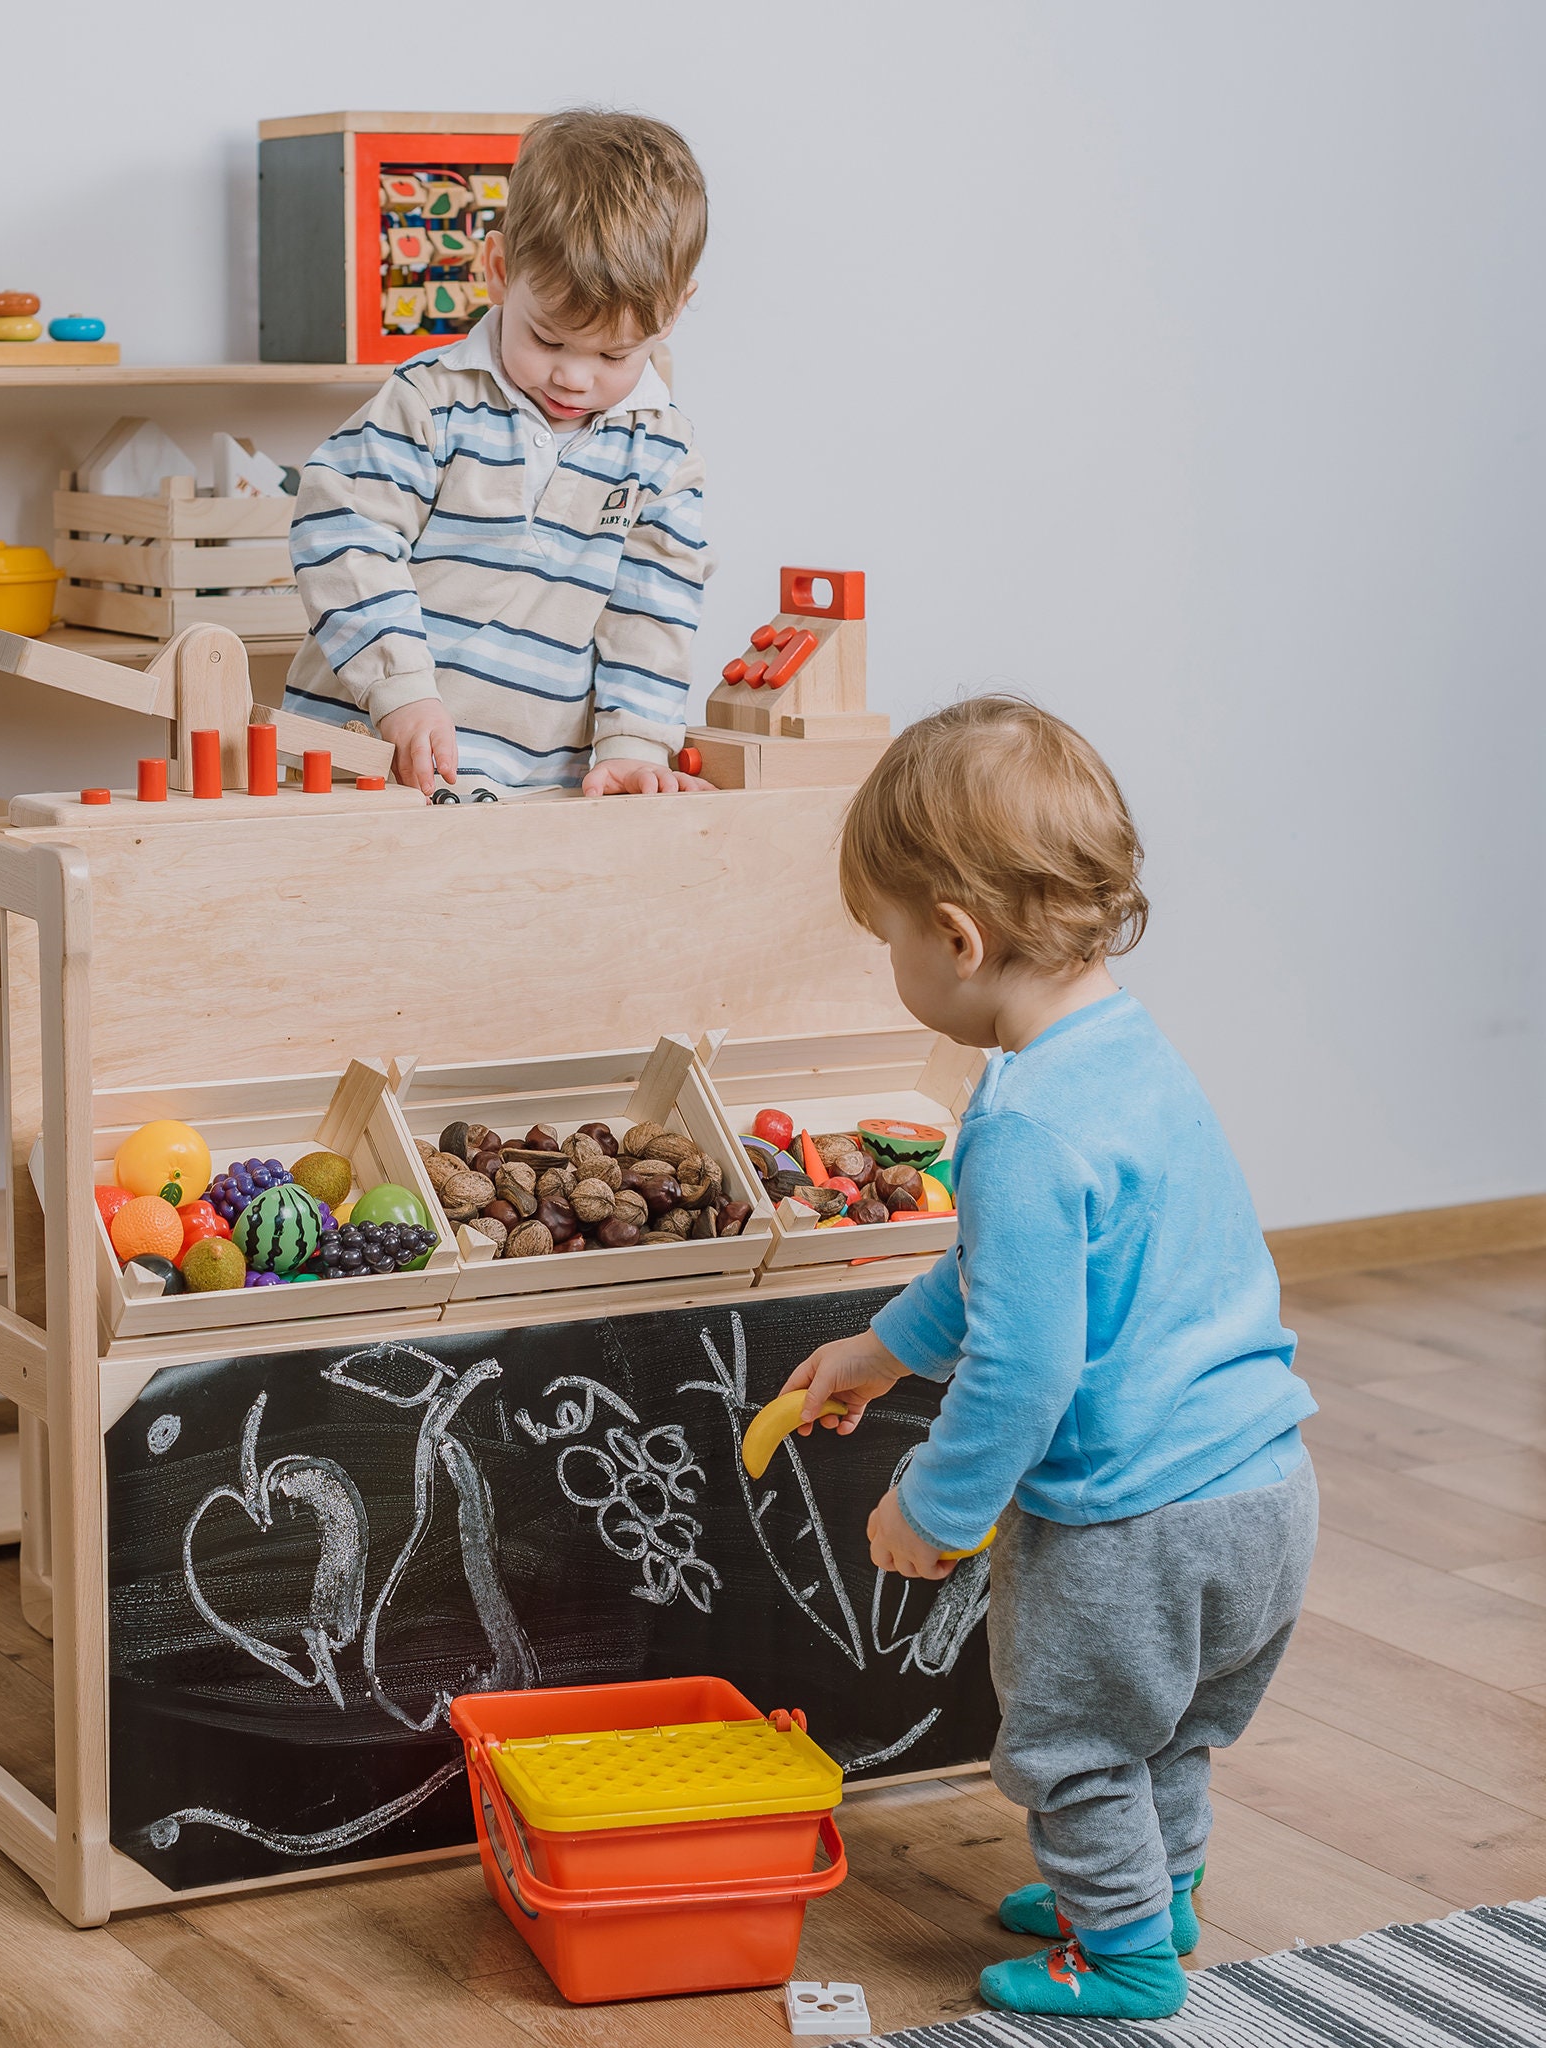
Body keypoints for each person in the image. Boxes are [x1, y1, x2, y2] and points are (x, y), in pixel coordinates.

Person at [783, 696, 1317, 2021]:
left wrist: (936, 1511)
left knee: (1075, 1744)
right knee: (1172, 1723)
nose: (893, 965)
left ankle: (1122, 1951)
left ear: (956, 939)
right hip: (1262, 1488)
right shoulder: (1130, 1055)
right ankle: (1154, 1887)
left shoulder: (1018, 1126)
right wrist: (881, 1349)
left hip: (1129, 1525)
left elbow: (1025, 1369)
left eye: (888, 942)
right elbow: (1013, 1276)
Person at [287, 109, 712, 797]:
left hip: (536, 794)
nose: (574, 377)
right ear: (498, 270)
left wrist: (635, 744)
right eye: (547, 340)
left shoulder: (663, 453)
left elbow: (652, 612)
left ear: (676, 310)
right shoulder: (429, 404)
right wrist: (401, 691)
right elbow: (342, 532)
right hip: (363, 775)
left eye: (614, 354)